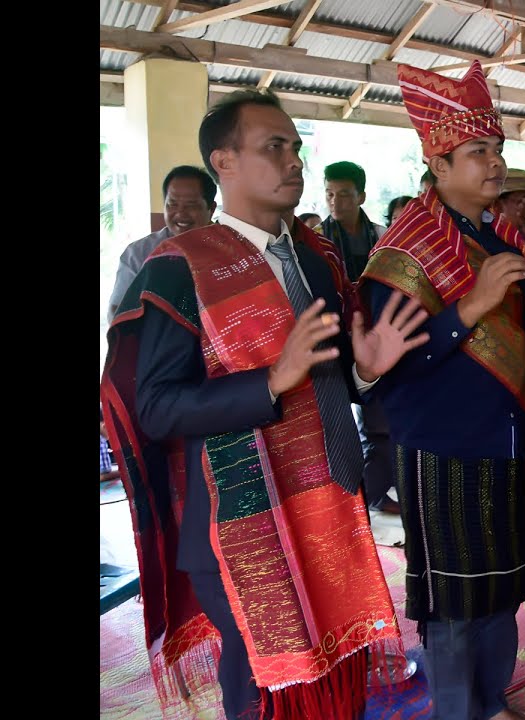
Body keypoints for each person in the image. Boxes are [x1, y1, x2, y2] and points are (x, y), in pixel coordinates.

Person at [101, 88, 426, 720]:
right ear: (222, 161)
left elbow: (331, 381)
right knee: (264, 691)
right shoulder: (179, 269)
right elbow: (158, 409)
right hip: (237, 526)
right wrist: (269, 383)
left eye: (296, 147)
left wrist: (363, 373)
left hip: (329, 506)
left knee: (339, 675)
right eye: (273, 147)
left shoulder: (317, 257)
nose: (294, 162)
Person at [358, 61, 525, 720]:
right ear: (438, 166)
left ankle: (490, 700)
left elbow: (520, 334)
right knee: (453, 605)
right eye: (478, 151)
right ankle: (459, 710)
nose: (495, 161)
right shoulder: (404, 253)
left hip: (500, 438)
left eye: (497, 148)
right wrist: (465, 310)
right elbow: (390, 372)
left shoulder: (490, 237)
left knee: (502, 587)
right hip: (441, 448)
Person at [321, 160, 398, 513]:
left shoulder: (382, 238)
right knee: (335, 430)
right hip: (334, 341)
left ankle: (373, 494)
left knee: (378, 426)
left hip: (374, 340)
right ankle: (344, 503)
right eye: (330, 194)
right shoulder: (317, 243)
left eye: (345, 195)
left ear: (362, 196)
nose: (336, 202)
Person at [108, 165, 217, 317]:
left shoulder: (227, 249)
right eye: (172, 204)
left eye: (191, 205)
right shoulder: (138, 252)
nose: (180, 213)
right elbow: (117, 310)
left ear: (211, 209)